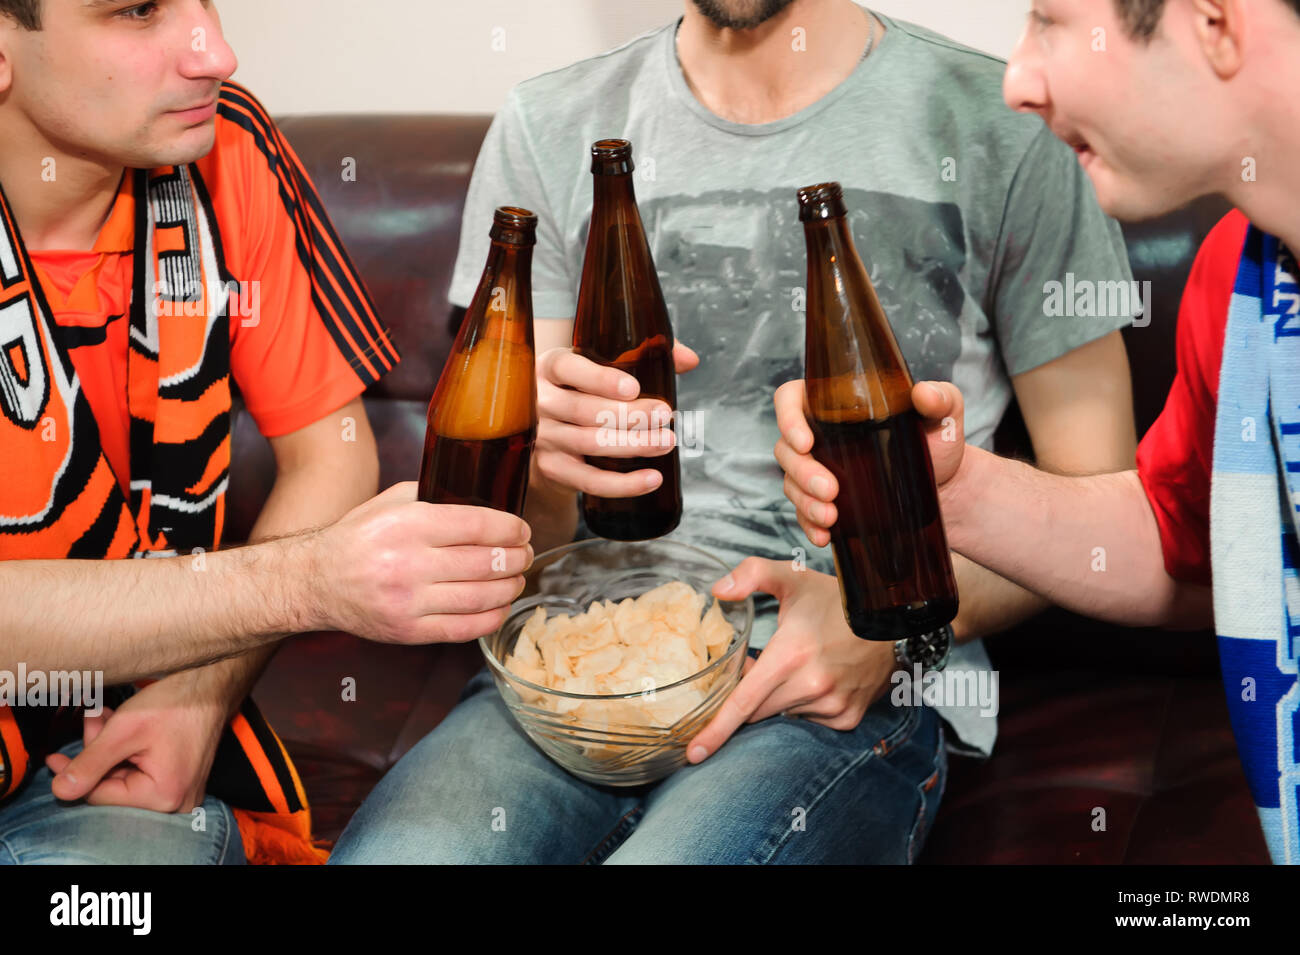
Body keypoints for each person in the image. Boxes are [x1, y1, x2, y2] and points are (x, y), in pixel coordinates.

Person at [331, 0, 1139, 864]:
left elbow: (1100, 507)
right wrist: (542, 461)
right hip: (582, 661)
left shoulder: (1002, 125)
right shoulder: (549, 122)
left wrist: (890, 626)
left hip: (831, 680)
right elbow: (531, 536)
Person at [0, 0, 531, 865]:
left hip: (107, 746)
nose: (216, 50)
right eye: (137, 11)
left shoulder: (223, 144)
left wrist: (200, 694)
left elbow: (336, 452)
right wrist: (302, 581)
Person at [774, 0, 1300, 865]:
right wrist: (949, 488)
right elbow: (1181, 542)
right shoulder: (1236, 281)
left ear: (1214, 22)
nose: (1015, 81)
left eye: (1053, 22)